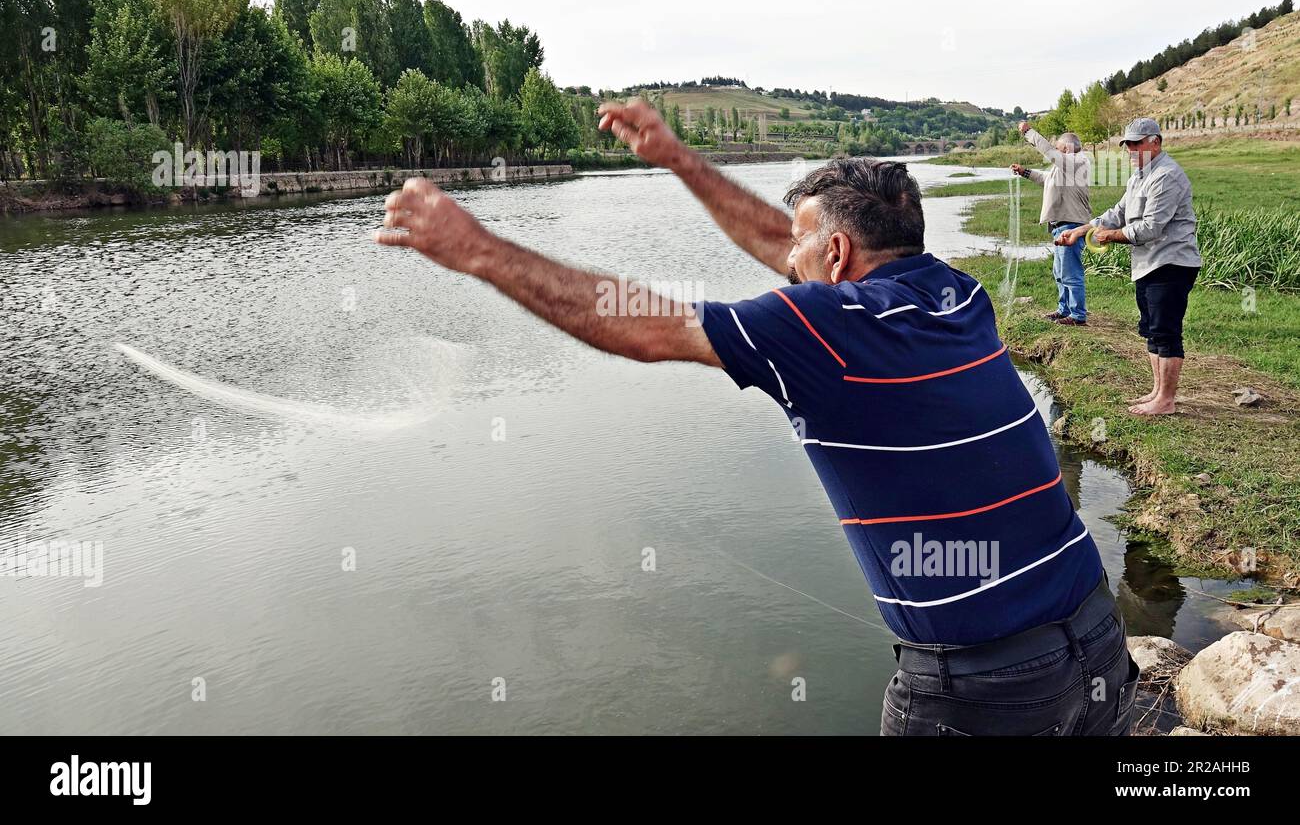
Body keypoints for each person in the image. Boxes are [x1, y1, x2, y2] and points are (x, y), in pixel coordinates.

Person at [375, 99, 1139, 736]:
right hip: (1095, 638)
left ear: (837, 254)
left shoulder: (821, 327)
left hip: (983, 693)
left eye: (804, 245)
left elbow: (639, 326)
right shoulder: (956, 295)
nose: (787, 257)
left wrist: (476, 249)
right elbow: (791, 245)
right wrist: (680, 161)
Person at [1057, 118, 1201, 416]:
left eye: (1137, 143)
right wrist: (1080, 230)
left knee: (1166, 331)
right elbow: (1117, 213)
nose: (1131, 150)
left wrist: (1109, 236)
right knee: (1151, 330)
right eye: (1128, 145)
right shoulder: (1138, 176)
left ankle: (1166, 400)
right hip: (1148, 264)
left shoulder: (1166, 176)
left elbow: (1150, 228)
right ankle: (1157, 391)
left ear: (1155, 142)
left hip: (1171, 263)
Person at [1011, 122, 1092, 326]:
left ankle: (1077, 315)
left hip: (1071, 225)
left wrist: (1029, 132)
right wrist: (1025, 172)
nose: (1055, 150)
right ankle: (1064, 309)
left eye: (1058, 148)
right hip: (1060, 226)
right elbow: (1046, 178)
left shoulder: (1077, 162)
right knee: (1059, 271)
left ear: (1066, 149)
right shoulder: (1065, 167)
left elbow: (1047, 151)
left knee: (1070, 272)